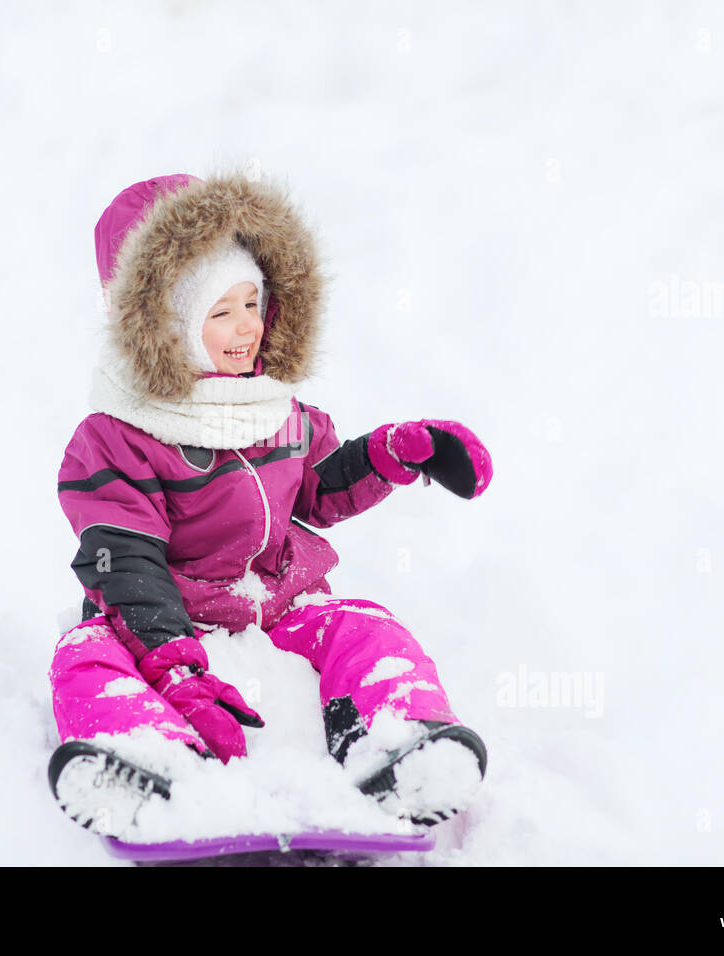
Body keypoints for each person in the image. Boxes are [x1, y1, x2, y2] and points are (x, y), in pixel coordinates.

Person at [48, 171, 494, 838]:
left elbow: (317, 485)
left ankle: (398, 747)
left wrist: (394, 454)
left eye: (252, 303)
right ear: (166, 326)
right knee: (83, 655)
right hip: (159, 626)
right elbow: (127, 562)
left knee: (366, 627)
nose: (246, 329)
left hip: (276, 605)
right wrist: (175, 670)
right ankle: (143, 763)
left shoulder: (273, 411)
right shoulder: (116, 437)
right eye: (219, 313)